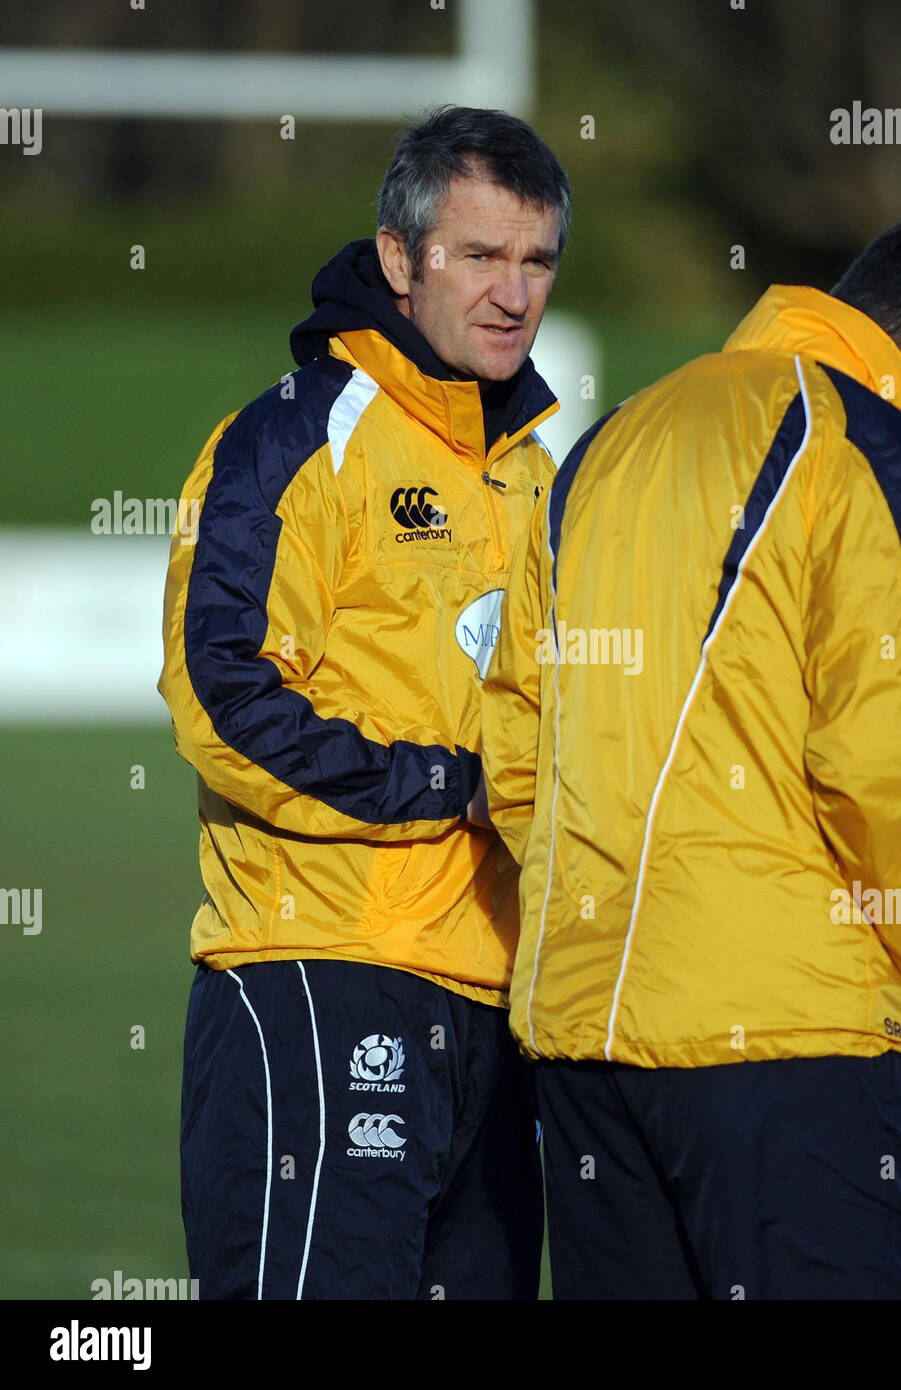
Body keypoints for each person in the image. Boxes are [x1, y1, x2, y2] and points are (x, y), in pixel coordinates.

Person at [479, 215, 901, 1300]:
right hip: (785, 1033)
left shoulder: (610, 440)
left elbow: (514, 740)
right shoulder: (868, 439)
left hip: (583, 1041)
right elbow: (890, 748)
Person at [158, 105, 570, 1300]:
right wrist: (443, 784)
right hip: (318, 975)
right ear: (400, 261)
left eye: (535, 260)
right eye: (477, 256)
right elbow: (221, 697)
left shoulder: (541, 477)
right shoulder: (290, 442)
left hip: (501, 1012)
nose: (511, 293)